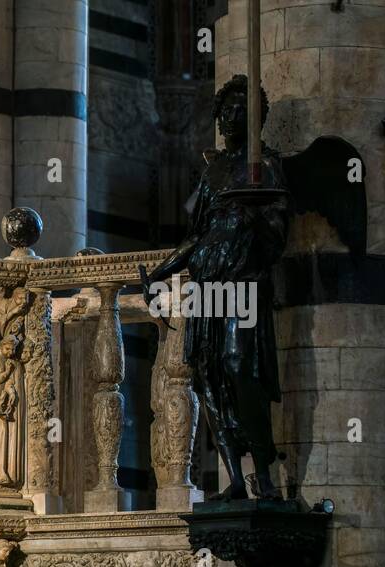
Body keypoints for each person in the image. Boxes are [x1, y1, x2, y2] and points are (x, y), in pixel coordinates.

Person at [142, 75, 290, 500]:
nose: (228, 117)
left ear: (255, 118)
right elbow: (196, 234)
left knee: (240, 365)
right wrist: (159, 272)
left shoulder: (267, 165)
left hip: (244, 285)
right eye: (224, 110)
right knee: (208, 377)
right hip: (205, 287)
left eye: (238, 110)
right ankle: (235, 481)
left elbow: (278, 236)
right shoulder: (214, 172)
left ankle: (264, 474)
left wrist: (254, 218)